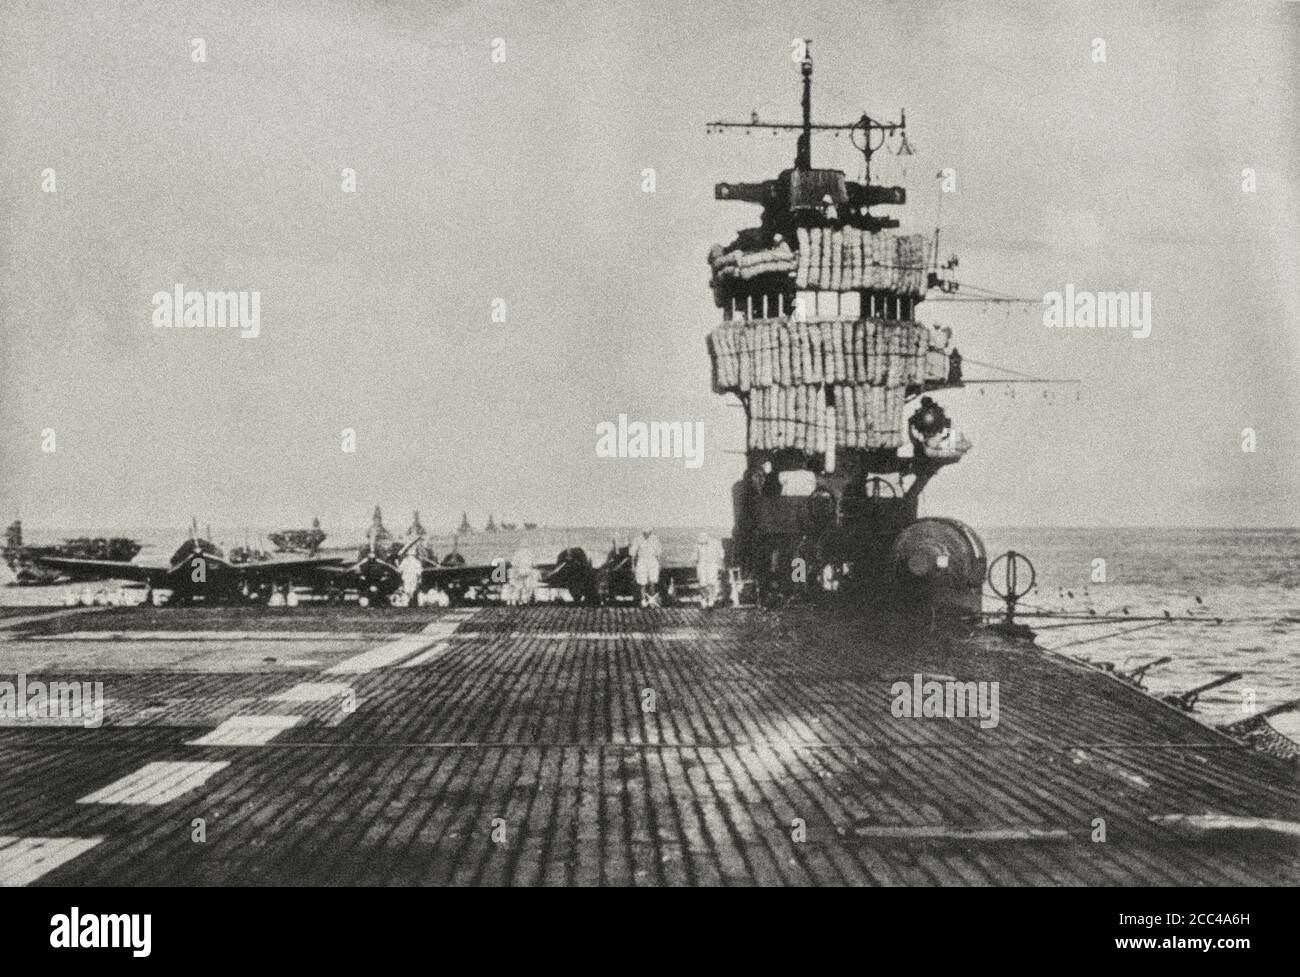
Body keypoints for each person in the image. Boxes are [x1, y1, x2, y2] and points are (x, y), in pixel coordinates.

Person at [629, 528, 662, 607]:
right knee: (642, 582)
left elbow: (658, 553)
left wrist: (659, 564)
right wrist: (633, 565)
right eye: (645, 533)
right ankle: (643, 600)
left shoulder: (655, 539)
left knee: (652, 582)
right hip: (642, 561)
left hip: (652, 560)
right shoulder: (637, 539)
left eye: (648, 533)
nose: (646, 534)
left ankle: (652, 601)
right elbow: (633, 553)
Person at [693, 532, 725, 608]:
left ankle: (711, 599)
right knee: (702, 584)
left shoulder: (715, 543)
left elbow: (721, 555)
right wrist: (697, 567)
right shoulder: (697, 545)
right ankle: (704, 598)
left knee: (711, 583)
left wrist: (721, 564)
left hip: (712, 565)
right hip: (702, 565)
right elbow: (695, 558)